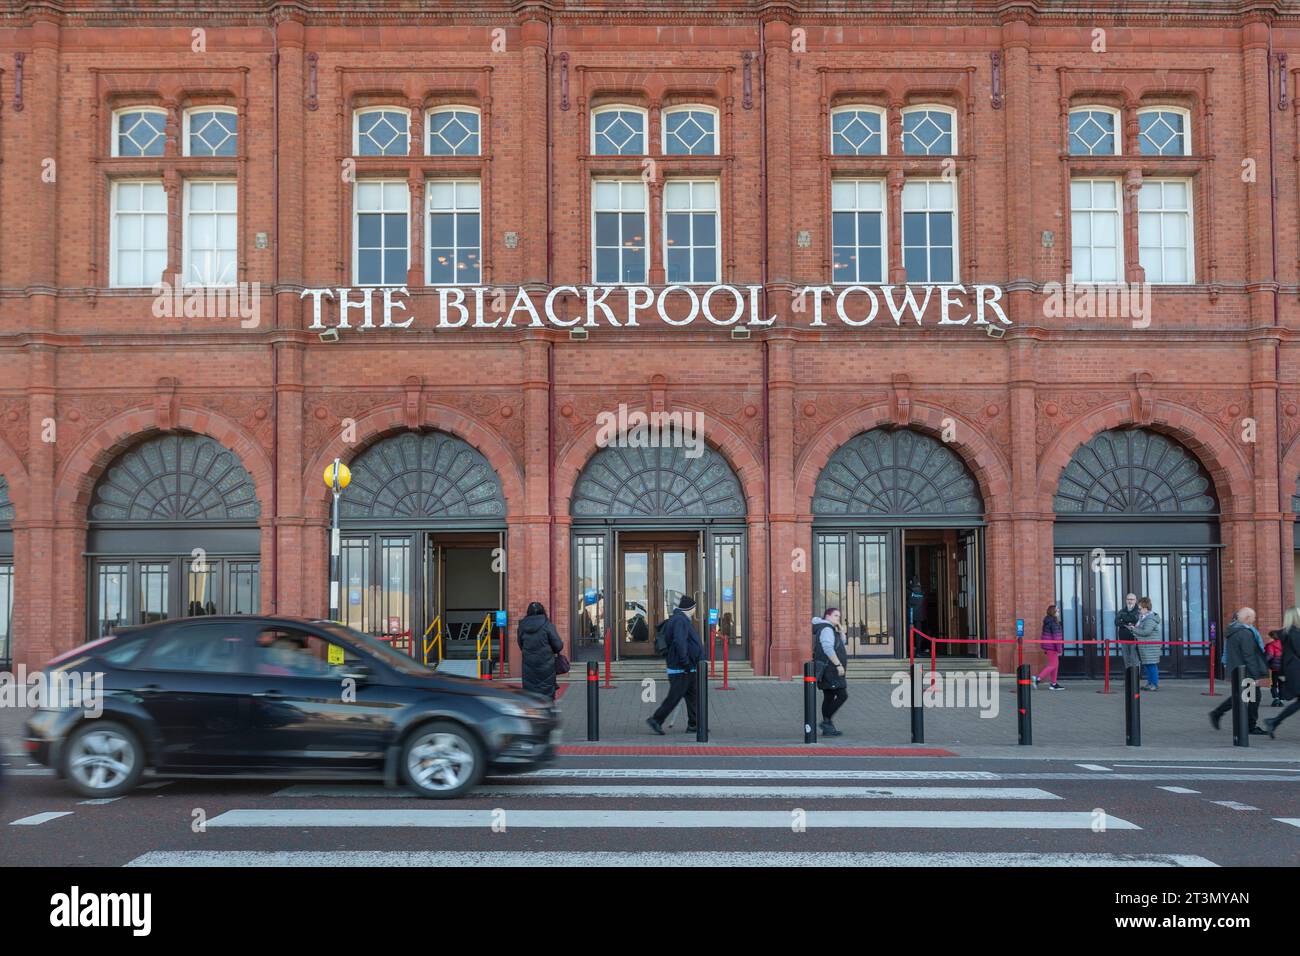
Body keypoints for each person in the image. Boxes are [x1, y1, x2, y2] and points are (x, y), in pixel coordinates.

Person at [646, 595, 704, 735]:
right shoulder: (680, 620)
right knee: (675, 696)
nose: (696, 610)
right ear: (690, 608)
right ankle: (656, 719)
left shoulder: (681, 619)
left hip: (687, 667)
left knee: (692, 696)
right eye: (695, 607)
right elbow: (680, 642)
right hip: (681, 667)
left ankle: (694, 724)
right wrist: (685, 662)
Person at [1210, 607, 1270, 735]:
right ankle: (1247, 725)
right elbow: (1249, 655)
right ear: (1247, 618)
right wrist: (1256, 675)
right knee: (1245, 696)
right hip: (1246, 670)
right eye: (1253, 617)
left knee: (1247, 696)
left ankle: (1245, 723)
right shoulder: (1245, 633)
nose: (1254, 619)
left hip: (1239, 669)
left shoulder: (1234, 630)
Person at [812, 608, 849, 736]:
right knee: (842, 695)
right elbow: (827, 648)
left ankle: (828, 726)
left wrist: (841, 630)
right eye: (835, 615)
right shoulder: (827, 629)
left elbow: (842, 643)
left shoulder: (831, 628)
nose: (838, 618)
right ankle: (826, 722)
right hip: (830, 669)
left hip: (830, 669)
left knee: (828, 697)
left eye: (839, 616)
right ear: (827, 616)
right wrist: (838, 665)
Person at [517, 601, 564, 700]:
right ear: (542, 611)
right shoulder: (548, 625)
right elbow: (558, 646)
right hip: (546, 667)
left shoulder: (522, 626)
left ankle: (532, 713)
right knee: (547, 696)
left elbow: (520, 645)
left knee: (530, 695)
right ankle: (546, 714)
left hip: (528, 666)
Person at [1264, 607, 1300, 738]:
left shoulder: (1286, 633)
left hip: (1291, 671)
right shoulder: (1295, 633)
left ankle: (1274, 722)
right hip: (1297, 672)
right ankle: (1273, 722)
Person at [1132, 596, 1163, 690]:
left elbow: (1146, 632)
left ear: (1146, 608)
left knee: (1152, 665)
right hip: (1146, 646)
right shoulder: (1143, 617)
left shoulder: (1150, 619)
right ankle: (1150, 683)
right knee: (1147, 665)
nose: (1139, 610)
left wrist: (1134, 630)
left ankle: (1154, 684)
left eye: (1140, 608)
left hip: (1150, 646)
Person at [1033, 604, 1064, 690]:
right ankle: (1037, 678)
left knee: (1055, 665)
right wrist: (1059, 650)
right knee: (1053, 665)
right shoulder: (1054, 623)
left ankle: (1053, 684)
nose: (1058, 612)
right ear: (1053, 612)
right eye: (1057, 611)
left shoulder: (1048, 621)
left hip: (1048, 646)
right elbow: (1057, 638)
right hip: (1052, 647)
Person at [1115, 593, 1141, 670]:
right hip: (1123, 638)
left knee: (1134, 658)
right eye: (1128, 599)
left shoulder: (1139, 611)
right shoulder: (1122, 611)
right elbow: (1116, 622)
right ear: (1126, 600)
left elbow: (1136, 621)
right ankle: (1128, 679)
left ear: (1135, 600)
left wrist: (1123, 620)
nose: (1130, 601)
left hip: (1134, 638)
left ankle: (1135, 679)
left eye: (1132, 599)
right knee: (1126, 659)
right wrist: (1127, 624)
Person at [1265, 628, 1285, 707]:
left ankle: (1276, 698)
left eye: (1269, 637)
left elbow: (1269, 656)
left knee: (1273, 684)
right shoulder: (1283, 644)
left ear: (1273, 637)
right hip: (1283, 669)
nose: (1268, 639)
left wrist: (1263, 662)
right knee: (1282, 685)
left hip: (1275, 669)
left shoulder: (1271, 645)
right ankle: (1281, 700)